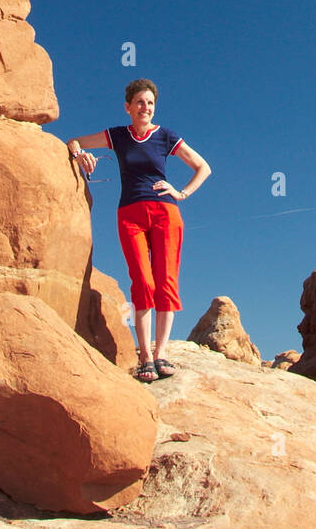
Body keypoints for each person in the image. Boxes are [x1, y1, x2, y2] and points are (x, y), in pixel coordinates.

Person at [66, 77, 211, 383]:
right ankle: (145, 356)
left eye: (150, 103)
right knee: (142, 282)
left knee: (166, 282)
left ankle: (161, 354)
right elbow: (74, 140)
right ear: (128, 107)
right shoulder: (118, 136)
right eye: (140, 102)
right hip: (129, 214)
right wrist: (81, 155)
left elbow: (203, 167)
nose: (146, 108)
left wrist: (181, 193)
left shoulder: (166, 136)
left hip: (165, 213)